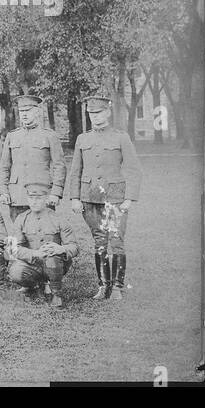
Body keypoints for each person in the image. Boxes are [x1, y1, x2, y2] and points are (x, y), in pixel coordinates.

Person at [66, 94, 141, 300]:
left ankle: (117, 287)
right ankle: (103, 286)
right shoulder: (83, 139)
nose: (95, 117)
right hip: (89, 198)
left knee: (116, 241)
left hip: (114, 198)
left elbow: (134, 169)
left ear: (108, 112)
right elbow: (75, 171)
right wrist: (74, 197)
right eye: (91, 113)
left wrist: (129, 198)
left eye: (99, 112)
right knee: (99, 242)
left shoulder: (120, 137)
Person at [7, 180, 79, 308]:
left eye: (39, 198)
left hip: (55, 262)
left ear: (46, 198)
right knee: (15, 272)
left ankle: (56, 293)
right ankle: (33, 285)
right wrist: (34, 253)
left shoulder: (58, 218)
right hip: (32, 263)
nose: (34, 202)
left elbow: (74, 247)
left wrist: (61, 248)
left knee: (52, 258)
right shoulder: (21, 219)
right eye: (31, 198)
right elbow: (11, 249)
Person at [0, 95, 65, 220]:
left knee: (44, 234)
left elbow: (59, 166)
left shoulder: (49, 136)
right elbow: (4, 167)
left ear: (37, 112)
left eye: (28, 111)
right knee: (19, 234)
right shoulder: (12, 136)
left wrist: (56, 193)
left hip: (41, 194)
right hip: (17, 195)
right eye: (21, 111)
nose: (24, 115)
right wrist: (3, 191)